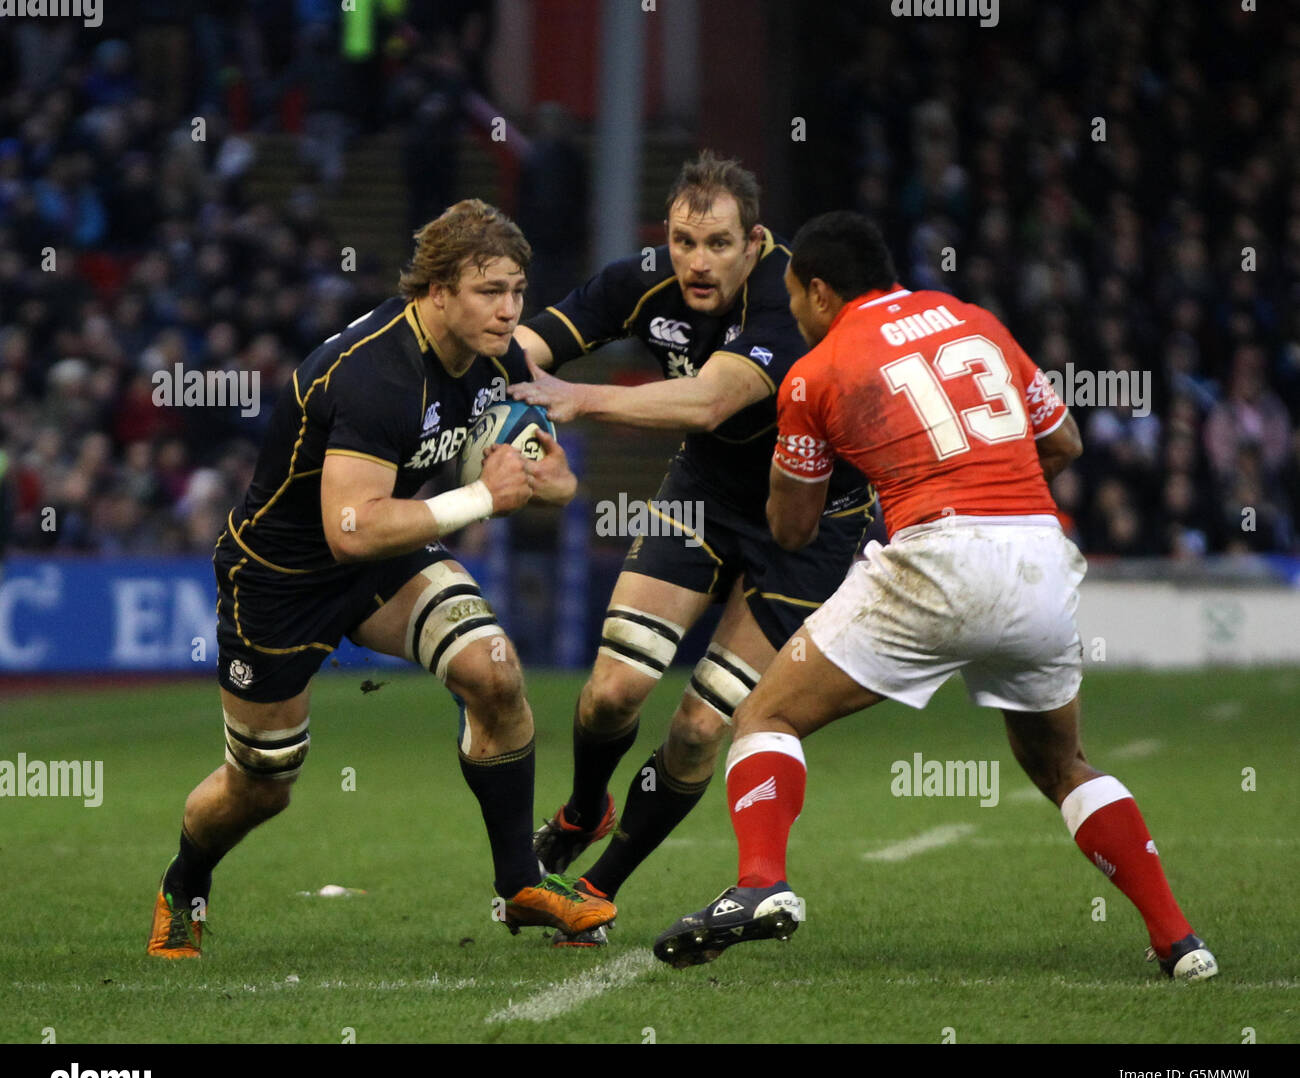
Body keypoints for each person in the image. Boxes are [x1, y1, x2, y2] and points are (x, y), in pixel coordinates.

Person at [653, 211, 1217, 982]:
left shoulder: (816, 371)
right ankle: (1179, 940)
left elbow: (792, 529)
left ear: (819, 292)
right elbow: (1064, 443)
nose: (793, 315)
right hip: (1039, 557)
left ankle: (760, 883)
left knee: (765, 715)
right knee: (1063, 764)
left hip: (936, 559)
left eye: (793, 298)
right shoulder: (976, 320)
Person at [146, 199, 616, 958]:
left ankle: (521, 882)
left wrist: (542, 478)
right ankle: (184, 880)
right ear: (437, 291)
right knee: (262, 784)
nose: (509, 310)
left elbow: (540, 474)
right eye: (489, 291)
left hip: (387, 552)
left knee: (493, 671)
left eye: (517, 291)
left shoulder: (498, 358)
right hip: (282, 578)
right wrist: (482, 496)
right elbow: (349, 528)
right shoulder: (373, 374)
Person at [509, 154, 875, 924]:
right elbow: (530, 346)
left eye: (717, 243)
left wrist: (578, 398)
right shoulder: (646, 281)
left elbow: (709, 402)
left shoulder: (790, 299)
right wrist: (488, 388)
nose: (697, 262)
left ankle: (599, 886)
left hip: (809, 523)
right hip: (705, 493)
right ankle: (583, 808)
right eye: (683, 241)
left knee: (701, 724)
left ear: (755, 242)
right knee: (612, 691)